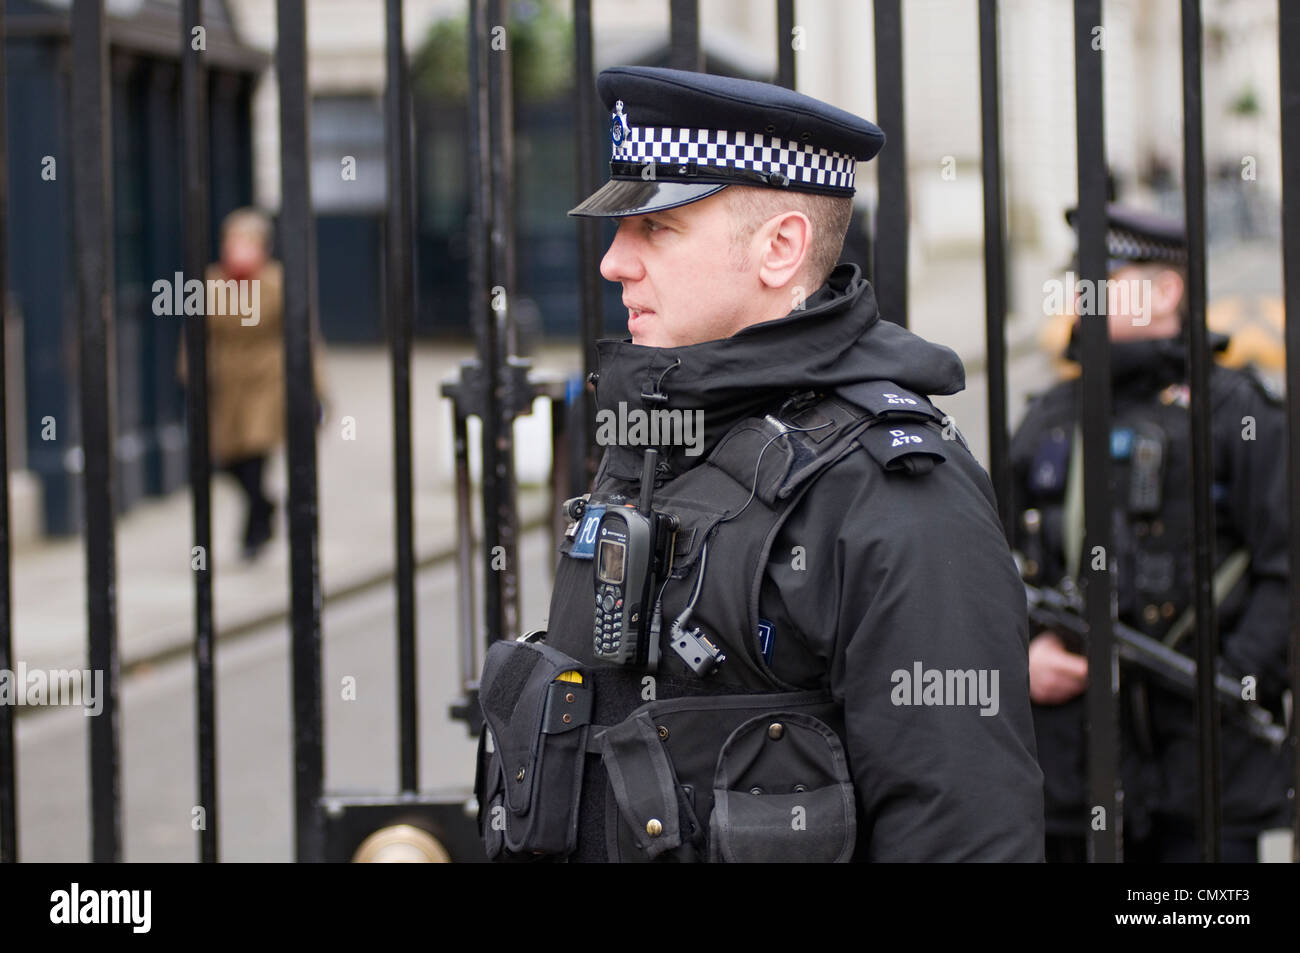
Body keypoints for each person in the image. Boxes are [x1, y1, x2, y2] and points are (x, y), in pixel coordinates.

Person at [475, 66, 1044, 863]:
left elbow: (962, 830)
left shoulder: (895, 491)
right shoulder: (660, 435)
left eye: (657, 229)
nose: (613, 262)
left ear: (780, 247)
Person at [1010, 205, 1293, 862]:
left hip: (1203, 770)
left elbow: (1284, 569)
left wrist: (1227, 679)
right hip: (1070, 769)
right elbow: (988, 568)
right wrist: (1022, 658)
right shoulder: (1049, 416)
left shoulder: (1235, 414)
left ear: (1166, 290)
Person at [178, 207, 328, 561]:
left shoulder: (278, 282)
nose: (240, 249)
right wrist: (190, 374)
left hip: (267, 377)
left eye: (248, 242)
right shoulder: (211, 283)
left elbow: (305, 337)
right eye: (234, 241)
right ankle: (263, 505)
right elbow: (195, 336)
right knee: (227, 460)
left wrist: (317, 388)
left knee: (256, 454)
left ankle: (253, 534)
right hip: (226, 380)